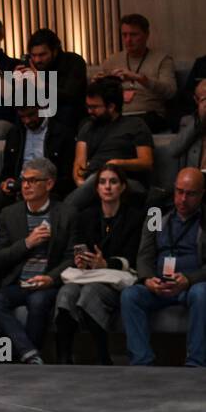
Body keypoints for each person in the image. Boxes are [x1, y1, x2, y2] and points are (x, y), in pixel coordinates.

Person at [0, 158, 75, 364]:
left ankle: (26, 357)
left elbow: (71, 257)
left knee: (38, 300)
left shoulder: (66, 213)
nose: (26, 185)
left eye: (33, 181)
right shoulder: (9, 214)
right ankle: (29, 354)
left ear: (49, 184)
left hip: (47, 282)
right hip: (19, 282)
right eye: (24, 180)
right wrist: (27, 243)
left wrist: (51, 279)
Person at [54, 164, 142, 365]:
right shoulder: (86, 216)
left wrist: (106, 263)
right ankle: (64, 358)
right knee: (66, 293)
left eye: (113, 182)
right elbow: (78, 245)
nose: (108, 187)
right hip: (89, 274)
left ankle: (103, 356)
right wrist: (81, 260)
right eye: (102, 182)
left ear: (123, 187)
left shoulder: (135, 217)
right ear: (96, 189)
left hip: (117, 279)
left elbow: (135, 255)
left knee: (90, 292)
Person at [120, 168, 206, 367]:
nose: (183, 199)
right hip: (159, 284)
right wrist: (148, 279)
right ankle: (142, 362)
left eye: (190, 194)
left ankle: (196, 363)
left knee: (202, 293)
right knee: (130, 295)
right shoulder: (157, 212)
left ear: (202, 194)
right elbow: (145, 253)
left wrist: (189, 279)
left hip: (190, 285)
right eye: (179, 191)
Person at [69, 77, 153, 209]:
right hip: (92, 183)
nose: (89, 111)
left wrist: (116, 163)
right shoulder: (87, 127)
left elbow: (146, 162)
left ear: (111, 107)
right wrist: (81, 184)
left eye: (94, 107)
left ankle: (60, 219)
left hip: (126, 182)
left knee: (101, 178)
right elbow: (79, 163)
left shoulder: (136, 125)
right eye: (88, 106)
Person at [93, 14, 178, 133]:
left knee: (132, 126)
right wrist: (97, 85)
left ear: (146, 35)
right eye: (124, 35)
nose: (128, 40)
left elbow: (170, 92)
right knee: (87, 124)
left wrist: (140, 78)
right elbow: (100, 97)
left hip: (148, 115)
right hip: (117, 114)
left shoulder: (162, 59)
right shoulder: (112, 60)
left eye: (133, 35)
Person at [0, 101, 76, 212]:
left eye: (31, 115)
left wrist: (43, 184)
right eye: (22, 117)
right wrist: (4, 183)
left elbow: (67, 179)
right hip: (18, 189)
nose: (27, 121)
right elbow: (6, 170)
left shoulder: (62, 134)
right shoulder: (15, 133)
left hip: (49, 191)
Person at [12, 28, 88, 130]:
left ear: (55, 51)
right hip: (38, 113)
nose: (37, 60)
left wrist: (39, 83)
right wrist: (17, 83)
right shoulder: (29, 64)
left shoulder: (73, 62)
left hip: (66, 111)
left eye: (42, 55)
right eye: (33, 55)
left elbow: (71, 96)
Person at [168, 78, 206, 173]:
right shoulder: (188, 121)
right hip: (196, 180)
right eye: (204, 99)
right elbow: (173, 150)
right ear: (196, 101)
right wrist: (200, 119)